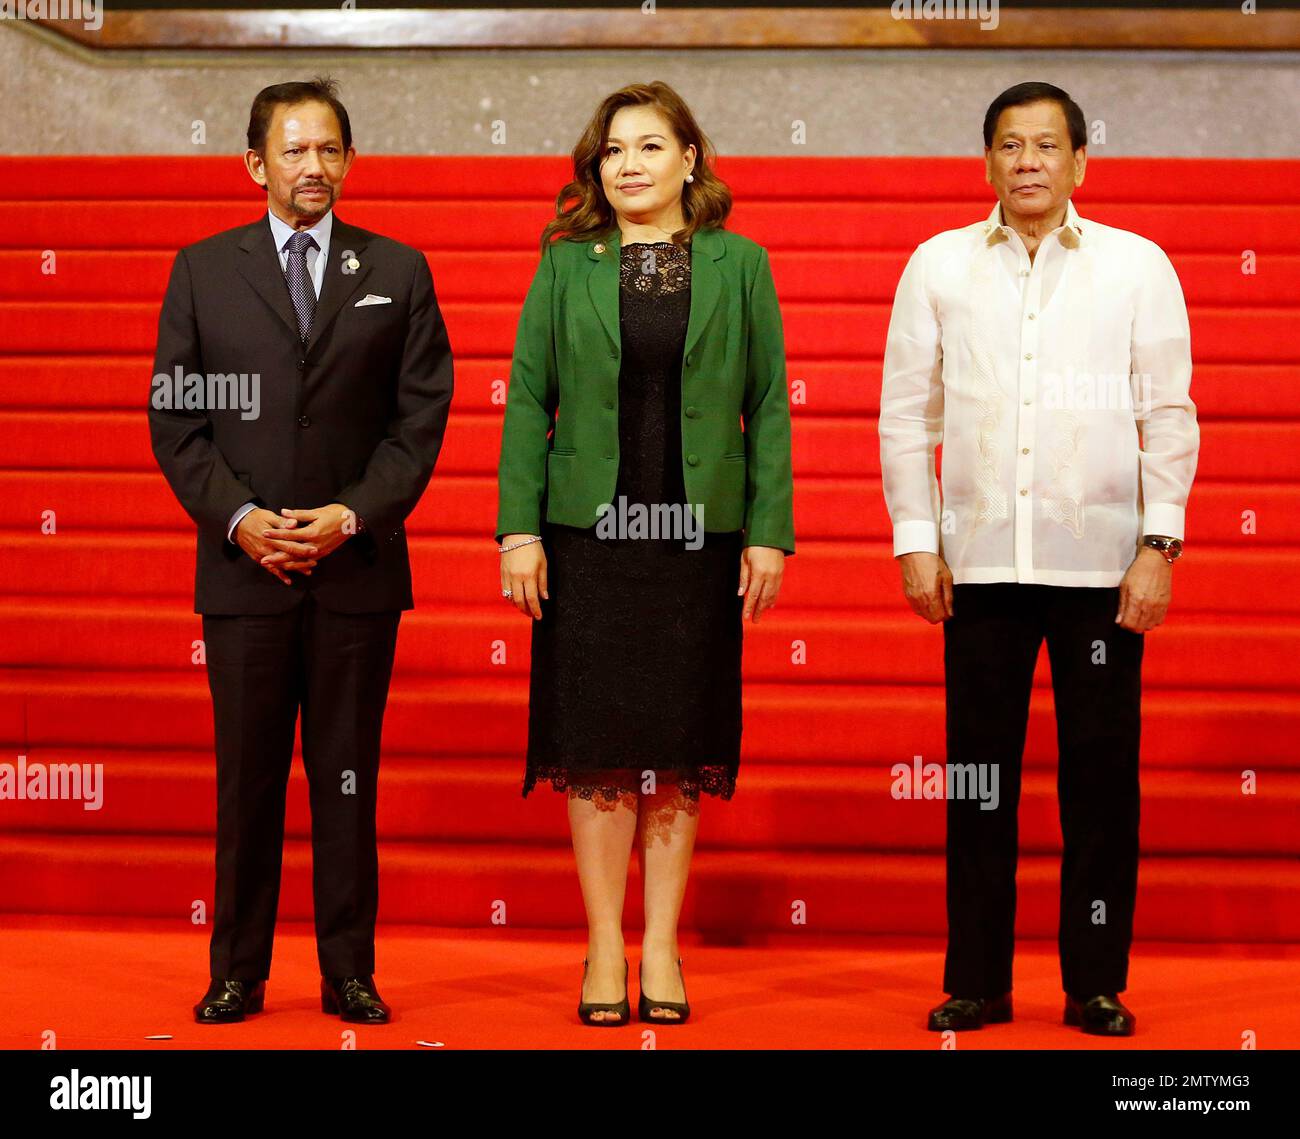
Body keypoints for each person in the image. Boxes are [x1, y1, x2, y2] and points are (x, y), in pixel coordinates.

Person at [879, 81, 1199, 1037]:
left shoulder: (1137, 267)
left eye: (1047, 146)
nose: (1028, 161)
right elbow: (908, 416)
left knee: (1101, 782)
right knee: (981, 783)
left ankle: (1094, 980)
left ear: (1079, 163)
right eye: (1010, 145)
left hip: (1100, 565)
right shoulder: (938, 265)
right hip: (978, 566)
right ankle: (977, 979)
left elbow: (1167, 415)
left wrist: (1159, 544)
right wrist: (916, 537)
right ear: (987, 162)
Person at [148, 76, 454, 1025]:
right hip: (243, 573)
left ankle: (348, 969)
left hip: (355, 572)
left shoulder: (398, 271)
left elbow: (420, 420)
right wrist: (242, 519)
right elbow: (177, 419)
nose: (312, 167)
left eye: (329, 150)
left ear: (349, 162)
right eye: (293, 150)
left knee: (346, 778)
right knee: (247, 782)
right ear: (255, 164)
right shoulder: (202, 269)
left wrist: (349, 516)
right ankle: (237, 968)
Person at [495, 81, 795, 1025]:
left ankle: (660, 945)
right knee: (597, 752)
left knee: (677, 744)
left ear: (688, 160)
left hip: (695, 536)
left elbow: (773, 405)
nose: (629, 164)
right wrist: (519, 528)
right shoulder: (564, 266)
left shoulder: (740, 264)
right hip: (591, 539)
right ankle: (601, 946)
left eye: (650, 147)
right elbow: (526, 401)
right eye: (613, 150)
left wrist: (770, 532)